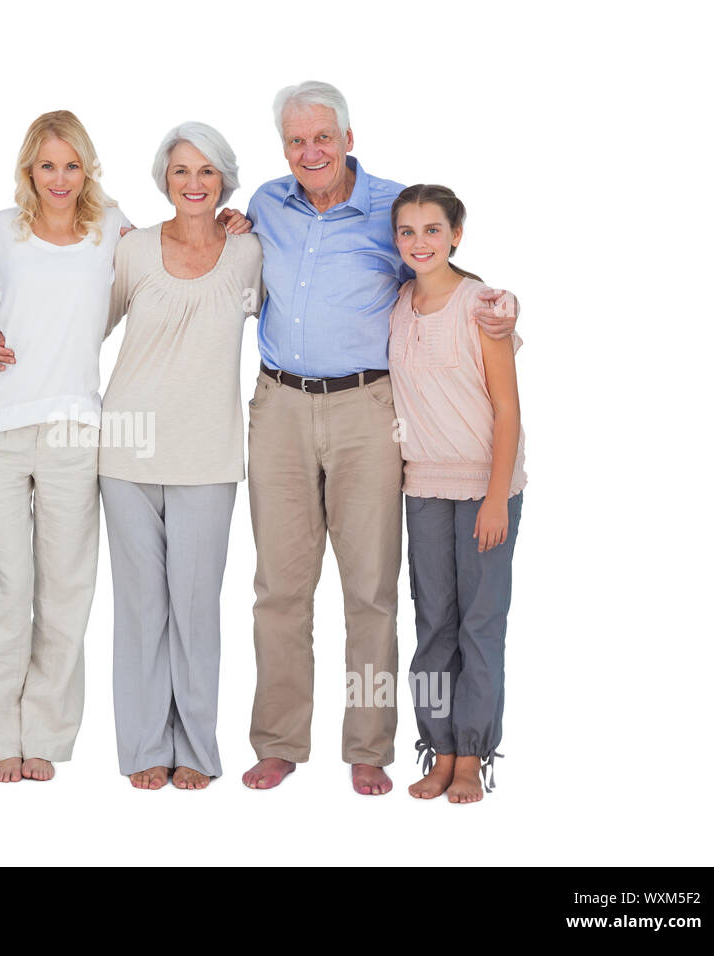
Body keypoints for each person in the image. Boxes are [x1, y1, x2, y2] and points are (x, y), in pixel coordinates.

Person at [242, 81, 518, 794]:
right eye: (297, 140)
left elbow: (444, 280)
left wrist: (500, 308)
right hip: (278, 406)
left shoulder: (394, 212)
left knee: (370, 590)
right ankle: (279, 740)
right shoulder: (266, 204)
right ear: (283, 148)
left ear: (349, 139)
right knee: (279, 586)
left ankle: (369, 745)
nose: (311, 152)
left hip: (367, 410)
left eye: (323, 137)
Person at [0, 111, 129, 783]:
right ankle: (0, 736)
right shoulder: (1, 230)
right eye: (46, 165)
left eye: (71, 164)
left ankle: (48, 738)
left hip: (74, 430)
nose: (59, 178)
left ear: (86, 167)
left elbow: (176, 253)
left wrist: (232, 224)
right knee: (3, 589)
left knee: (65, 590)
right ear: (29, 169)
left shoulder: (112, 228)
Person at [98, 122, 261, 790]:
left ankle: (194, 747)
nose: (193, 184)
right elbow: (84, 324)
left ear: (224, 178)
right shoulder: (133, 248)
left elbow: (295, 322)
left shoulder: (251, 252)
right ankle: (142, 747)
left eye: (206, 172)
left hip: (208, 455)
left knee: (195, 610)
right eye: (180, 172)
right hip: (126, 452)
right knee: (140, 610)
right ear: (164, 179)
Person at [388, 185, 525, 804]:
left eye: (432, 231)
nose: (420, 243)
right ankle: (439, 750)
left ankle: (472, 754)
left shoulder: (483, 307)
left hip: (483, 489)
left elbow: (507, 412)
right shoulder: (396, 305)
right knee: (433, 624)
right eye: (408, 232)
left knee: (480, 624)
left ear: (456, 235)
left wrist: (496, 498)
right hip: (423, 488)